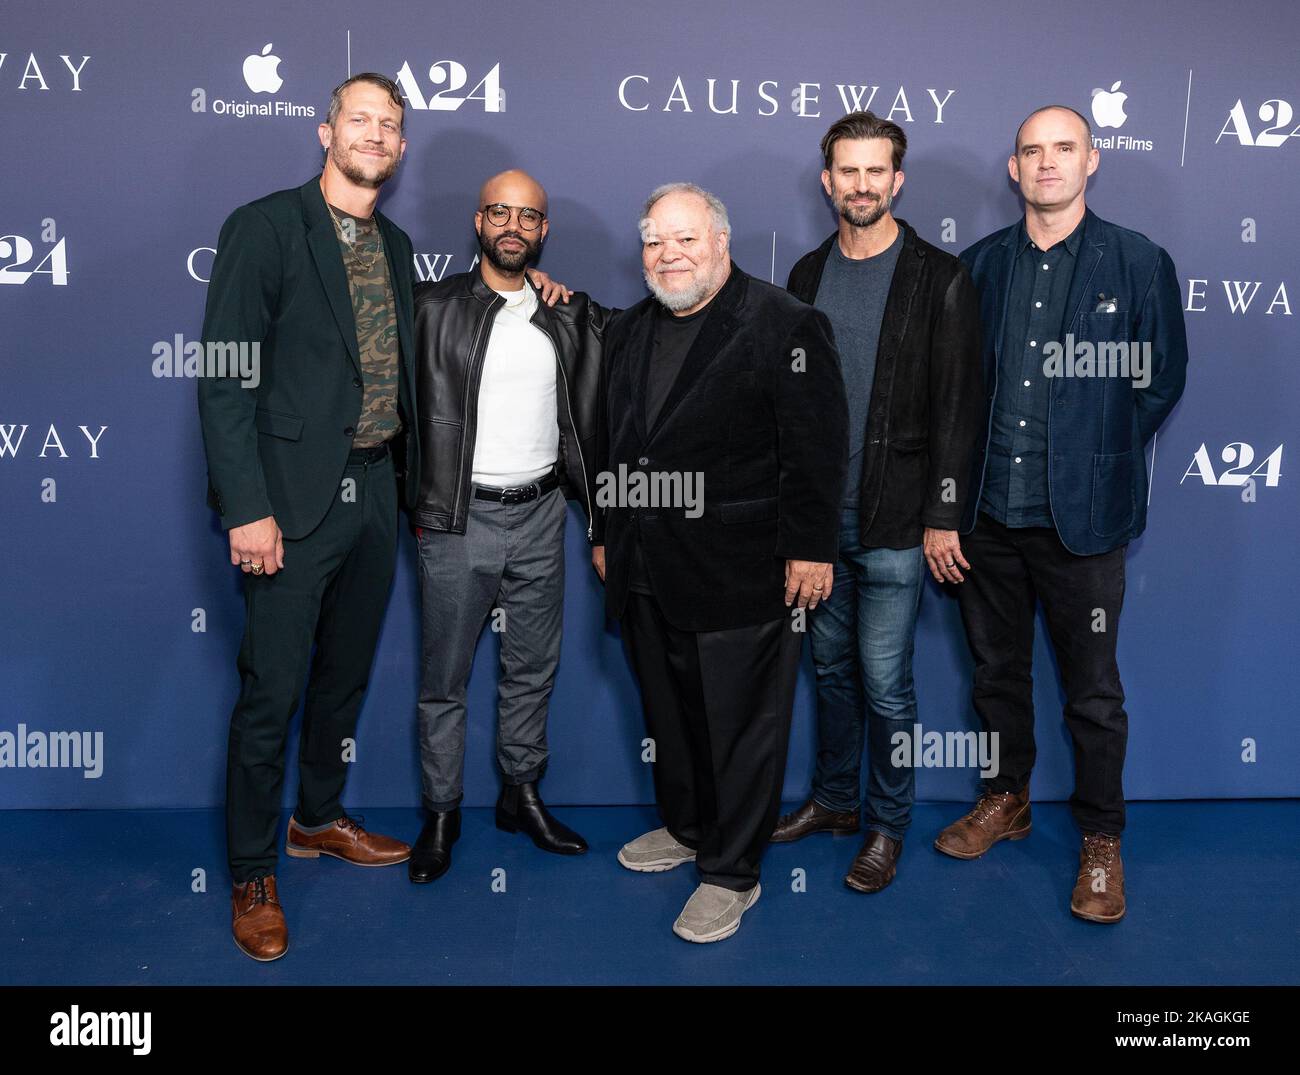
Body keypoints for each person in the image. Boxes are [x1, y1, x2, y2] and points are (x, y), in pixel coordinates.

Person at [936, 105, 1188, 923]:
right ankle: (1005, 799)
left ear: (1093, 159)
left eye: (1063, 149)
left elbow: (1158, 380)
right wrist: (947, 508)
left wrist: (1096, 453)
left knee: (1093, 694)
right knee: (996, 676)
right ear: (1014, 169)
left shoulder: (1138, 261)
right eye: (1032, 151)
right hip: (987, 519)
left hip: (1085, 523)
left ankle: (1102, 839)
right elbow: (956, 397)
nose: (1047, 164)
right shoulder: (977, 267)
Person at [198, 73, 419, 961]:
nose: (374, 134)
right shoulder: (264, 227)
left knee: (343, 679)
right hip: (287, 505)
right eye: (359, 119)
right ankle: (253, 868)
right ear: (326, 132)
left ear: (401, 149)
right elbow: (224, 376)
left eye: (389, 126)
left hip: (375, 494)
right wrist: (246, 507)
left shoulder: (397, 244)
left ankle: (317, 817)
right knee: (272, 694)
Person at [594, 183, 848, 942]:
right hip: (645, 563)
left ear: (722, 243)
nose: (668, 255)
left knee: (740, 727)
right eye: (655, 241)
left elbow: (818, 447)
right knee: (671, 717)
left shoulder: (785, 323)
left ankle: (732, 870)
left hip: (743, 568)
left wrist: (810, 545)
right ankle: (690, 827)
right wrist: (608, 530)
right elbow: (618, 439)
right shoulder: (631, 326)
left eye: (685, 239)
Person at [773, 111, 984, 895]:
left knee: (884, 677)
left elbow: (960, 406)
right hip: (821, 523)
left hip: (899, 520)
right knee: (828, 670)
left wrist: (944, 513)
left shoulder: (940, 276)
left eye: (875, 172)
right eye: (846, 172)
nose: (860, 185)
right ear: (827, 180)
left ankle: (886, 824)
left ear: (896, 180)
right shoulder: (803, 275)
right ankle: (833, 800)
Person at [406, 169, 608, 883]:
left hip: (543, 513)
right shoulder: (430, 307)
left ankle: (520, 795)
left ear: (543, 231)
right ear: (478, 220)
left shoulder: (569, 314)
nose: (514, 225)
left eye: (528, 216)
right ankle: (441, 810)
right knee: (444, 678)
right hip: (458, 518)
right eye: (501, 212)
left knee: (531, 670)